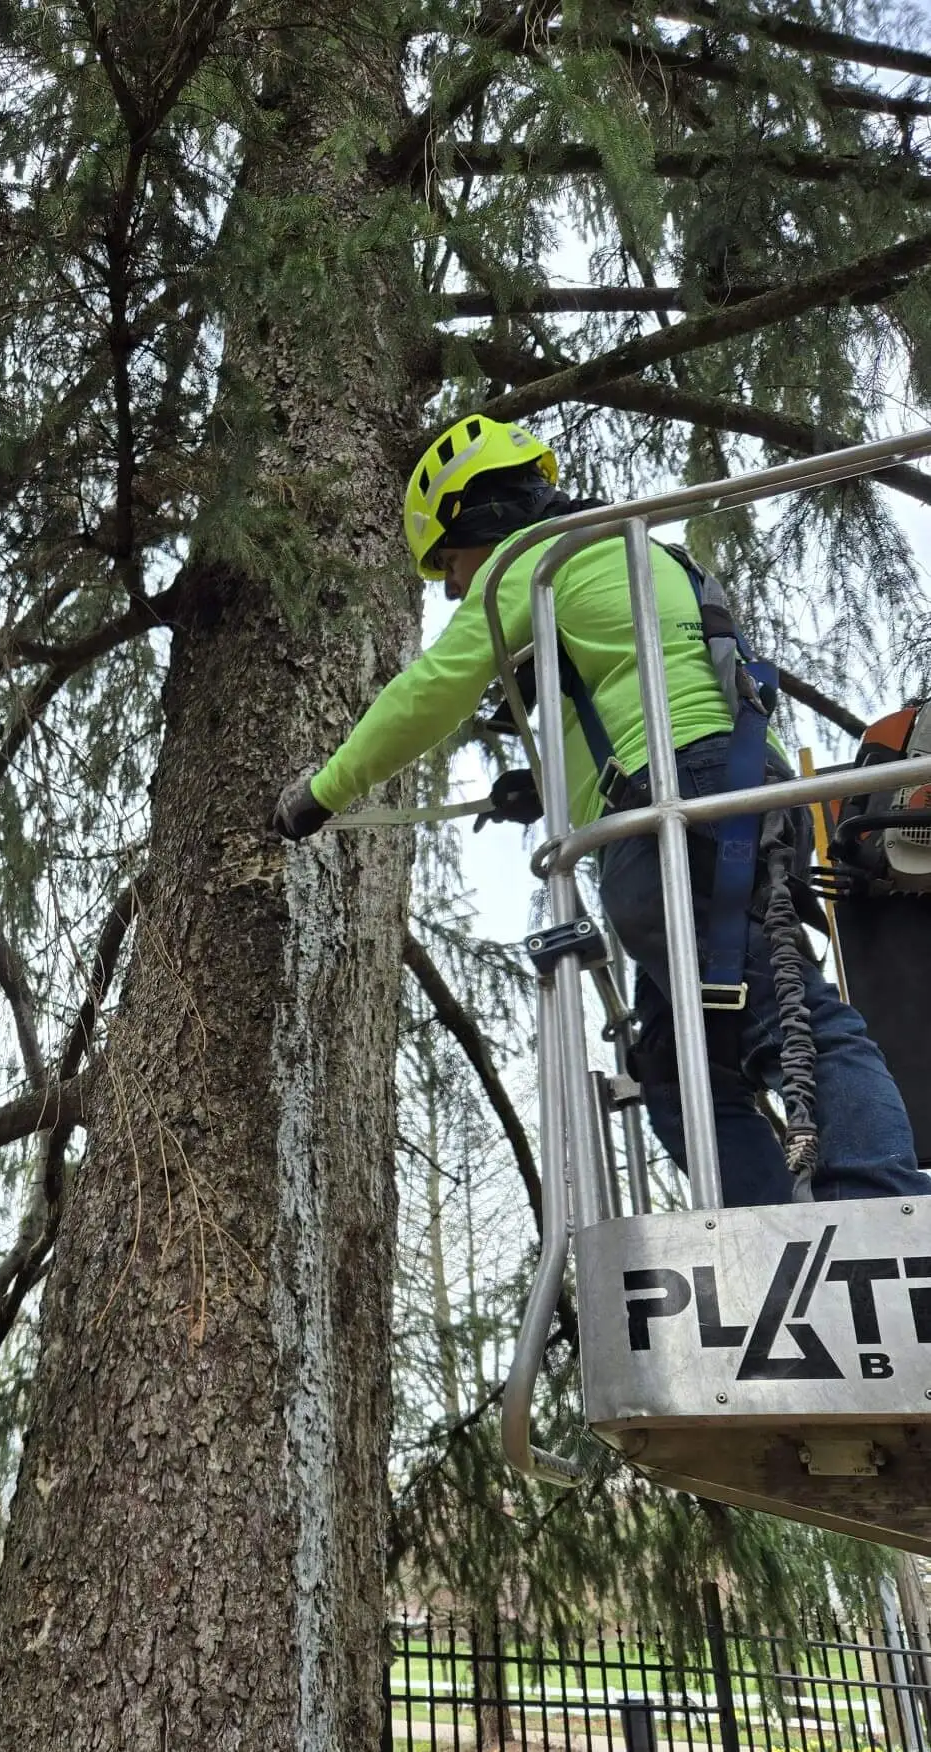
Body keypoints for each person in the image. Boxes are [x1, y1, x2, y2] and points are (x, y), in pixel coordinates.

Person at [271, 413, 929, 1208]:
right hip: (721, 791)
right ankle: (783, 1240)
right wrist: (544, 790)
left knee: (773, 1009)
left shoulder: (540, 556)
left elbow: (432, 687)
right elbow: (645, 696)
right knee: (679, 1068)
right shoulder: (629, 554)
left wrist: (321, 793)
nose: (453, 585)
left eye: (449, 561)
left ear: (476, 516)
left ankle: (870, 1214)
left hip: (676, 806)